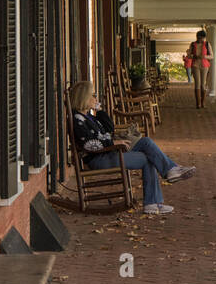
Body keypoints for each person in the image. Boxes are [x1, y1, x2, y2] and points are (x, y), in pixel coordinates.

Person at [69, 81, 195, 215]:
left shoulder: (89, 116)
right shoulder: (78, 119)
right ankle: (154, 200)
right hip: (98, 159)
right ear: (84, 97)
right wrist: (113, 144)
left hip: (108, 153)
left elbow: (110, 128)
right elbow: (89, 144)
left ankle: (170, 172)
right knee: (148, 159)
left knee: (146, 142)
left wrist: (99, 110)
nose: (95, 98)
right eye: (92, 95)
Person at [187, 29, 213, 109]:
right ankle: (198, 103)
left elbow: (212, 56)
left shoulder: (207, 44)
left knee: (203, 84)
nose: (200, 39)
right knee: (197, 84)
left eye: (202, 38)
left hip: (205, 65)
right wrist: (194, 56)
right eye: (199, 38)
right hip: (195, 65)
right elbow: (189, 55)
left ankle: (203, 102)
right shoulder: (193, 44)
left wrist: (204, 56)